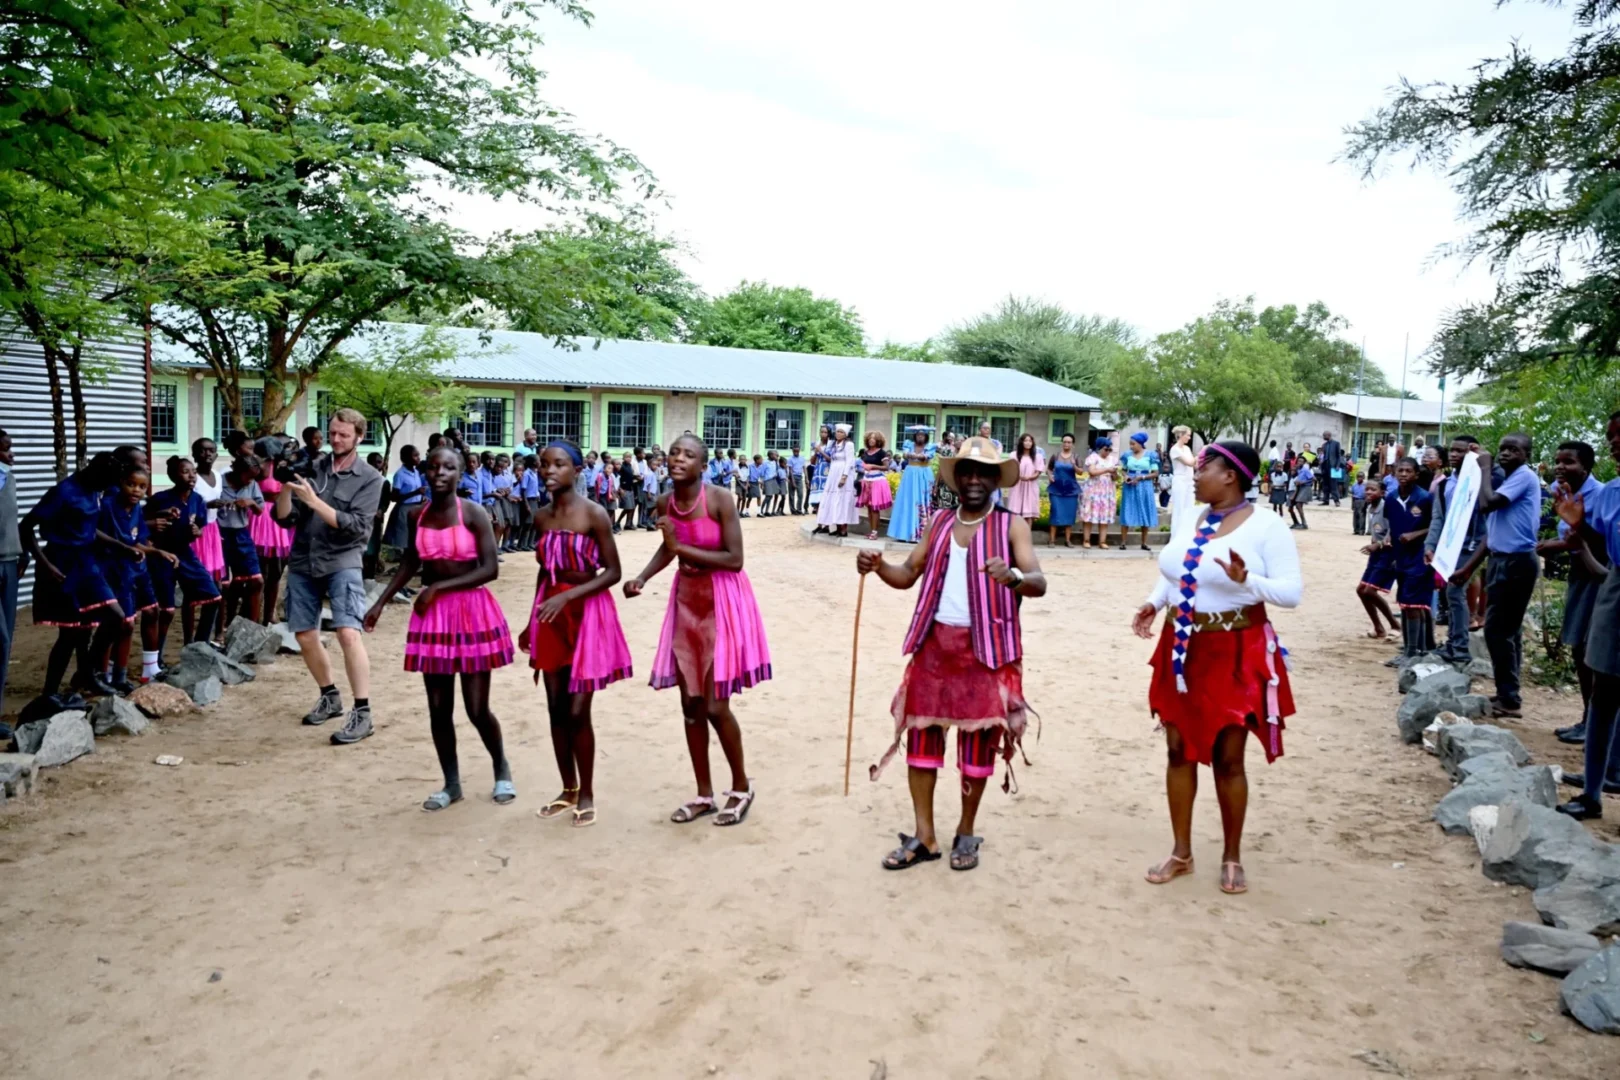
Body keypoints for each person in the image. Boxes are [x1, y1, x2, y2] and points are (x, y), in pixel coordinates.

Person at [860, 436, 1046, 872]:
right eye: (967, 472)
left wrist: (1014, 576)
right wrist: (877, 567)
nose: (975, 480)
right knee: (921, 742)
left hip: (986, 651)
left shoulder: (1011, 525)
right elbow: (908, 573)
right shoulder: (940, 522)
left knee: (977, 751)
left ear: (996, 479)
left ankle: (966, 831)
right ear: (957, 479)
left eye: (984, 473)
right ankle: (925, 837)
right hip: (934, 647)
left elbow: (1038, 580)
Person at [1133, 440, 1300, 896]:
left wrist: (1250, 581)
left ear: (1231, 476)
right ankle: (1181, 852)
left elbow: (1292, 592)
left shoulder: (1267, 526)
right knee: (1177, 749)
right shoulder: (1193, 517)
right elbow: (1176, 571)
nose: (1195, 472)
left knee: (1229, 758)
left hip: (1235, 648)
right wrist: (1153, 602)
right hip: (1183, 645)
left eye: (1204, 467)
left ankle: (1232, 855)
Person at [624, 433, 770, 827]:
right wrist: (642, 577)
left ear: (703, 465)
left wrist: (678, 548)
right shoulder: (663, 502)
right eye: (673, 453)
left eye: (688, 455)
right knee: (690, 706)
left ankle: (741, 786)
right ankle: (704, 793)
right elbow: (668, 548)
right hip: (686, 600)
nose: (678, 459)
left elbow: (734, 559)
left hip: (721, 601)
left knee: (715, 704)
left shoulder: (720, 499)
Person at [362, 446, 515, 810]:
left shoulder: (475, 513)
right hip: (433, 619)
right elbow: (411, 562)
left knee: (477, 709)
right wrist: (380, 603)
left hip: (471, 612)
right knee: (438, 707)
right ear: (425, 472)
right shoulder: (418, 515)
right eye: (433, 467)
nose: (439, 473)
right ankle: (452, 784)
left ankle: (501, 767)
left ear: (460, 473)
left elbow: (490, 569)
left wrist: (437, 588)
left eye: (448, 467)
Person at [521, 442, 633, 827]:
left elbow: (613, 573)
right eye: (544, 465)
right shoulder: (540, 516)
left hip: (588, 613)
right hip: (551, 614)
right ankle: (567, 789)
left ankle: (586, 792)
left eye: (559, 464)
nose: (549, 470)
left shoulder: (595, 514)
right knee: (555, 708)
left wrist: (569, 594)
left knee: (577, 709)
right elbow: (544, 570)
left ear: (577, 469)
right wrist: (529, 620)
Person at [273, 408, 384, 745]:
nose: (336, 439)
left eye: (344, 435)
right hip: (305, 558)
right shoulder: (314, 466)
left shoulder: (370, 478)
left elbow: (356, 527)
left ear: (359, 437)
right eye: (333, 433)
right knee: (304, 633)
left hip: (343, 560)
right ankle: (329, 695)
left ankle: (362, 712)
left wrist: (314, 500)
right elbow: (284, 519)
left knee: (348, 633)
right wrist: (285, 486)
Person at [1552, 410, 1620, 819]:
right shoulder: (1611, 493)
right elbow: (1602, 553)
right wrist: (1579, 531)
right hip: (1615, 592)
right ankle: (1593, 793)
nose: (1615, 441)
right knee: (1604, 691)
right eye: (1612, 434)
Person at [20, 452, 128, 703]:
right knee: (69, 633)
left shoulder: (95, 488)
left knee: (116, 617)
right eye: (106, 483)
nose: (107, 489)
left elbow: (89, 528)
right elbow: (26, 527)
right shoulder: (63, 492)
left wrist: (121, 546)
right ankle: (50, 692)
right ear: (94, 472)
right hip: (61, 564)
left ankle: (86, 673)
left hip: (87, 564)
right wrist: (44, 564)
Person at [1538, 442, 1606, 750]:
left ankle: (1596, 722)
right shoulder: (1560, 490)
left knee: (1593, 651)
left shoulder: (1601, 495)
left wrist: (1549, 546)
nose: (1561, 467)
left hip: (1599, 577)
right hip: (1580, 576)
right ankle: (1587, 717)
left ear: (1587, 467)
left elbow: (1590, 540)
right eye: (1558, 461)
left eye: (1569, 462)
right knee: (1579, 647)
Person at [1472, 434, 1540, 719]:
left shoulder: (1524, 477)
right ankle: (1506, 692)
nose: (1505, 454)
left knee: (1497, 630)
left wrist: (1484, 467)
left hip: (1517, 561)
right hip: (1503, 559)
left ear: (1526, 455)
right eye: (1502, 449)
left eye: (1514, 450)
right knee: (1507, 631)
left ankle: (1509, 698)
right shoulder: (1511, 479)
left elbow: (1487, 504)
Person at [1424, 435, 1500, 663]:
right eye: (1452, 451)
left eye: (1462, 451)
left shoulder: (1483, 480)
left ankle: (1459, 648)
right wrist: (1430, 544)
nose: (1455, 455)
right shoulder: (1445, 484)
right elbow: (1439, 517)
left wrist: (1485, 459)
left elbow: (1498, 482)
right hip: (1450, 545)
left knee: (1455, 591)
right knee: (1451, 593)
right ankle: (1454, 642)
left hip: (1473, 544)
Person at [95, 466, 169, 692]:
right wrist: (127, 550)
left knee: (138, 618)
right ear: (120, 483)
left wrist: (158, 552)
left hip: (134, 569)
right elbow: (99, 537)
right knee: (120, 623)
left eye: (142, 487)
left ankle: (123, 675)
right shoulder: (107, 507)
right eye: (131, 484)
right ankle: (104, 674)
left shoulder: (137, 509)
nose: (136, 490)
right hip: (113, 571)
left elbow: (137, 541)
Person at [144, 456, 222, 665]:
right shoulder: (160, 499)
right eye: (185, 472)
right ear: (172, 475)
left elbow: (199, 525)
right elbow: (141, 521)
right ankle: (155, 658)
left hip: (185, 553)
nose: (191, 476)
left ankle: (200, 645)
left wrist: (196, 532)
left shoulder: (197, 500)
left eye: (193, 472)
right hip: (161, 555)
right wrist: (158, 519)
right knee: (166, 610)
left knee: (213, 597)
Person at [1385, 457, 1435, 657]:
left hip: (1420, 556)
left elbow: (1437, 526)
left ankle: (1413, 652)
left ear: (1416, 474)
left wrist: (1416, 534)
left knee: (1414, 603)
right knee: (1406, 603)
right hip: (1400, 556)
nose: (1404, 474)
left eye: (1408, 471)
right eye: (1400, 471)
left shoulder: (1425, 498)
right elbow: (1392, 525)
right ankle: (1414, 649)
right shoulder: (1391, 498)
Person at [217, 453, 266, 626]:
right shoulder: (219, 482)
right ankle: (224, 625)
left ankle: (251, 626)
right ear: (237, 470)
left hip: (241, 533)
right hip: (220, 534)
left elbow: (260, 511)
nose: (250, 481)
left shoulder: (252, 485)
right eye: (248, 476)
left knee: (256, 580)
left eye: (254, 477)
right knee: (225, 583)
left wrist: (251, 502)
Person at [1355, 479, 1401, 639]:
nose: (1368, 492)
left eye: (1373, 489)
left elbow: (1394, 531)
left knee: (1370, 590)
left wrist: (1379, 544)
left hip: (1389, 553)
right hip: (1377, 553)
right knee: (1361, 590)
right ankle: (1378, 627)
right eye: (1367, 489)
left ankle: (1395, 625)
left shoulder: (1386, 507)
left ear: (1382, 493)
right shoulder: (1370, 508)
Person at [0, 430, 20, 718]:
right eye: (5, 450)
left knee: (6, 640)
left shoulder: (8, 478)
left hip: (9, 562)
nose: (11, 456)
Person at [889, 428, 935, 544]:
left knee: (922, 501)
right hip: (910, 475)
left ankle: (921, 533)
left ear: (926, 437)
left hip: (924, 474)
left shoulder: (930, 446)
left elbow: (927, 456)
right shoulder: (908, 444)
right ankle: (904, 533)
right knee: (907, 500)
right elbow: (905, 455)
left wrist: (914, 455)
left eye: (922, 435)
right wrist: (912, 455)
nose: (920, 437)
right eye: (918, 435)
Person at [816, 424, 861, 538]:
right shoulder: (834, 445)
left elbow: (849, 461)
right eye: (837, 431)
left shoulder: (849, 445)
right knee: (833, 499)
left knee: (843, 500)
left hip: (843, 473)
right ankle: (836, 526)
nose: (838, 434)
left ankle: (843, 529)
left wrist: (844, 476)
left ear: (846, 434)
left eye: (841, 432)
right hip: (833, 472)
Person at [1118, 432, 1157, 550]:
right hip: (1130, 486)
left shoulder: (1150, 455)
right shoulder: (1127, 455)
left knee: (1145, 511)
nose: (1131, 446)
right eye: (1130, 444)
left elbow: (1155, 473)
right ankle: (1123, 542)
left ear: (1140, 444)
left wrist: (1142, 477)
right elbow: (1123, 469)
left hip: (1145, 486)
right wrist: (1126, 476)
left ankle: (1144, 542)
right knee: (1127, 510)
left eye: (1133, 444)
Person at [1080, 437, 1118, 549]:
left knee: (1104, 515)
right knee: (1089, 514)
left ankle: (1102, 541)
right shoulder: (1093, 458)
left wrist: (1114, 474)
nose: (1107, 452)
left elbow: (1115, 477)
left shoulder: (1113, 460)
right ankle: (1086, 540)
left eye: (1109, 450)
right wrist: (1107, 470)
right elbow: (1092, 472)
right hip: (1093, 490)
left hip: (1107, 490)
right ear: (1100, 448)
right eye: (1106, 449)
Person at [1045, 433, 1081, 547]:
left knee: (1070, 514)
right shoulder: (1055, 456)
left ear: (1073, 444)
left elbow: (1080, 472)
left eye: (1069, 442)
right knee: (1055, 512)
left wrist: (1074, 465)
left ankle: (1067, 540)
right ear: (1062, 443)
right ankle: (1051, 540)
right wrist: (1050, 476)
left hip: (1071, 490)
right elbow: (1049, 469)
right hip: (1056, 489)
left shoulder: (1076, 456)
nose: (1066, 444)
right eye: (1065, 442)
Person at [857, 432, 893, 540]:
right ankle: (871, 531)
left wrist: (872, 466)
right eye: (870, 438)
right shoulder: (866, 452)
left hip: (877, 480)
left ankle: (875, 532)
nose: (871, 440)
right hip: (867, 480)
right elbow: (863, 465)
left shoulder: (882, 453)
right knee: (869, 507)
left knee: (874, 507)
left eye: (874, 438)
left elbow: (886, 467)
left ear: (878, 440)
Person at [1005, 432, 1044, 526]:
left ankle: (1026, 537)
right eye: (1025, 440)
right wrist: (1019, 477)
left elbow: (1038, 472)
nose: (1028, 443)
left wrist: (1029, 477)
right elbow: (1010, 470)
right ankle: (1013, 537)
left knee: (1028, 513)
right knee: (1015, 513)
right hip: (1017, 486)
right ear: (1021, 442)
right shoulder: (1013, 455)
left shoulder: (1038, 456)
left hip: (1031, 486)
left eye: (1030, 441)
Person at [1169, 425, 1197, 531]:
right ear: (1181, 435)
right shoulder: (1175, 450)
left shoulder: (1187, 449)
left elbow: (1194, 465)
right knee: (1179, 510)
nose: (1189, 438)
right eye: (1188, 435)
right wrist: (1201, 453)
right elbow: (1189, 463)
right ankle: (1176, 536)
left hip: (1190, 481)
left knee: (1189, 509)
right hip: (1180, 481)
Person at [807, 425, 833, 521]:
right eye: (821, 432)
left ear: (829, 433)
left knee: (826, 500)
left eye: (825, 432)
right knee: (818, 501)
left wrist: (821, 451)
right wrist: (815, 452)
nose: (823, 434)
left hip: (827, 474)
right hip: (818, 474)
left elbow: (830, 459)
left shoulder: (832, 445)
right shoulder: (817, 444)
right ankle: (819, 523)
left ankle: (826, 524)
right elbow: (812, 462)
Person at [1318, 431, 1344, 506]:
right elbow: (1323, 455)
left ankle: (1336, 500)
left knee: (1333, 485)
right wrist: (1321, 462)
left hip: (1333, 467)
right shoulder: (1324, 445)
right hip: (1325, 467)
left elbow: (1338, 456)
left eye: (1324, 435)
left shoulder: (1336, 443)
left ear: (1328, 435)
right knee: (1325, 484)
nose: (1323, 437)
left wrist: (1338, 465)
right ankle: (1326, 500)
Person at [1288, 458, 1313, 530]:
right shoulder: (1298, 470)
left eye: (1302, 461)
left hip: (1306, 488)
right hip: (1300, 488)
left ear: (1304, 463)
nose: (1300, 462)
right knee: (1296, 505)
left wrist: (1302, 482)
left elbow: (1312, 479)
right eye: (1299, 461)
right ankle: (1298, 523)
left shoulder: (1305, 470)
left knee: (1298, 504)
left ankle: (1304, 523)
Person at [786, 445, 807, 515]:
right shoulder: (790, 459)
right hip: (792, 477)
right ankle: (793, 510)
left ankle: (799, 509)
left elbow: (804, 468)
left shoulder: (802, 458)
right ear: (792, 451)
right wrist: (793, 481)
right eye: (794, 451)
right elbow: (790, 471)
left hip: (799, 477)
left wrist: (806, 478)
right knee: (791, 495)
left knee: (800, 494)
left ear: (799, 451)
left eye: (797, 451)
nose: (796, 452)